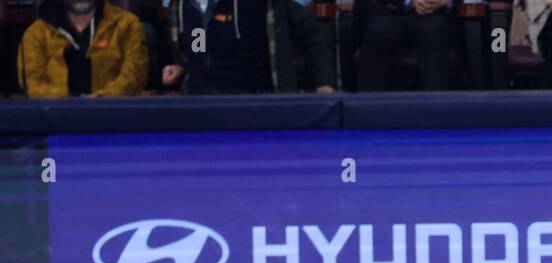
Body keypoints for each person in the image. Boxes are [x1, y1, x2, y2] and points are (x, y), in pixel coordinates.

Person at [163, 0, 337, 94]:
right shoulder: (182, 6)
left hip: (255, 104)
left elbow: (312, 36)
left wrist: (323, 82)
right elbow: (200, 48)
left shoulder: (267, 4)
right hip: (199, 103)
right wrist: (183, 67)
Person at [19, 0, 147, 98]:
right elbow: (33, 85)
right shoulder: (36, 34)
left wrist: (99, 98)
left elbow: (135, 75)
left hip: (113, 118)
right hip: (56, 121)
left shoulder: (127, 25)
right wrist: (71, 100)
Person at [354, 0, 456, 91]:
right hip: (393, 11)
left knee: (434, 32)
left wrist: (446, 1)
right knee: (378, 33)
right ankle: (370, 106)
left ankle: (437, 104)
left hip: (437, 14)